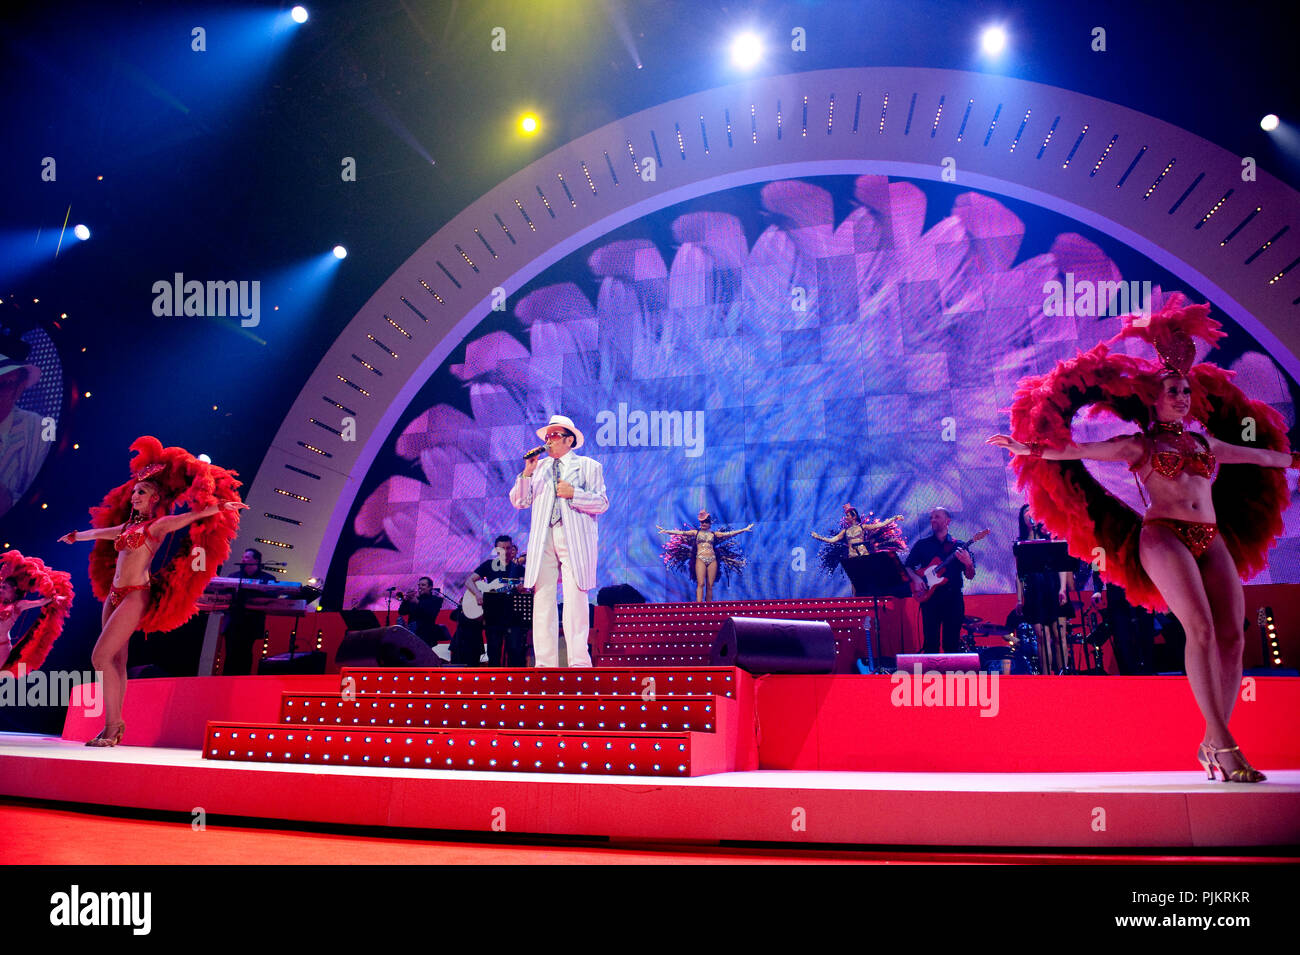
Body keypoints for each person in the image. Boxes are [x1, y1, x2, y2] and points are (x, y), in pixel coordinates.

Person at [987, 294, 1298, 782]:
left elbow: (1262, 458)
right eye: (1171, 389)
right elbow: (1075, 449)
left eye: (1185, 391)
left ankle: (1213, 740)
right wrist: (1027, 447)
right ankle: (1225, 744)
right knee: (1200, 629)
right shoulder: (1139, 445)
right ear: (1154, 398)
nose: (1181, 396)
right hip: (1162, 536)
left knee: (1234, 635)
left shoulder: (1205, 443)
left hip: (1209, 535)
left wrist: (1294, 460)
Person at [59, 437, 245, 746]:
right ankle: (112, 728)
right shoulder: (126, 529)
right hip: (115, 595)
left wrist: (221, 505)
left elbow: (188, 517)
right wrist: (77, 536)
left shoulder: (155, 527)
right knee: (115, 661)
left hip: (135, 594)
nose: (135, 496)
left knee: (100, 657)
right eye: (134, 492)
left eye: (141, 492)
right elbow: (98, 533)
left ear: (154, 498)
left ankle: (115, 724)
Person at [508, 414, 607, 668]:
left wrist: (575, 493)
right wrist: (527, 473)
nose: (549, 440)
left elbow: (602, 503)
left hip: (574, 535)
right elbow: (519, 502)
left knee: (575, 598)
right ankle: (545, 663)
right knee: (543, 599)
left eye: (554, 435)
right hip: (544, 537)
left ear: (569, 440)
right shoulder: (537, 469)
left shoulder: (588, 466)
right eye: (547, 436)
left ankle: (579, 662)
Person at [903, 508, 976, 653]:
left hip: (953, 599)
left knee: (952, 644)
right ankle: (932, 675)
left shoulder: (959, 546)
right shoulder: (922, 545)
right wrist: (917, 579)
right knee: (930, 644)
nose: (932, 520)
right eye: (931, 517)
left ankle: (951, 676)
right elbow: (907, 566)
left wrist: (968, 563)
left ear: (947, 521)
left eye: (937, 517)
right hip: (930, 599)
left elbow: (970, 575)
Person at [1015, 504, 1073, 673]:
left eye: (1032, 511)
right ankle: (1046, 677)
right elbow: (1019, 574)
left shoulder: (1050, 537)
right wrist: (1019, 599)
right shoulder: (1021, 543)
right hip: (1035, 591)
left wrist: (1062, 589)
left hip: (1053, 586)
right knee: (1042, 637)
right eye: (1026, 512)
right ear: (1022, 518)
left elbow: (1061, 565)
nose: (1029, 514)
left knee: (1059, 635)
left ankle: (1064, 674)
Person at [0, 338, 52, 518]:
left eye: (2, 385)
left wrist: (9, 502)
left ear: (19, 388)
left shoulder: (42, 429)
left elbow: (50, 492)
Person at [657, 510, 754, 602]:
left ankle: (708, 606)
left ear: (709, 524)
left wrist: (744, 529)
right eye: (701, 522)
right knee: (701, 583)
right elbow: (682, 533)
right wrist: (666, 531)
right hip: (700, 559)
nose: (703, 524)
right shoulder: (696, 533)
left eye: (705, 522)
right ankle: (699, 606)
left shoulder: (714, 534)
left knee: (710, 585)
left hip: (712, 559)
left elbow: (729, 534)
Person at [462, 537, 527, 665]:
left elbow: (525, 589)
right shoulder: (488, 565)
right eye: (502, 548)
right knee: (494, 652)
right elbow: (469, 581)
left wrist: (522, 589)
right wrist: (477, 593)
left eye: (508, 548)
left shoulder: (518, 569)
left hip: (512, 616)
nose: (506, 551)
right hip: (492, 617)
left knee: (514, 651)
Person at [220, 548, 276, 676]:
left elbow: (273, 596)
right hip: (233, 622)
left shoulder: (267, 578)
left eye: (246, 557)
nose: (243, 559)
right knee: (230, 654)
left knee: (245, 654)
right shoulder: (233, 577)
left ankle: (242, 682)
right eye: (243, 557)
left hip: (251, 623)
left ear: (256, 560)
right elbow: (223, 597)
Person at [397, 576, 452, 650]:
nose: (420, 587)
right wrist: (405, 600)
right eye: (419, 585)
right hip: (412, 633)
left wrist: (417, 602)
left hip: (427, 634)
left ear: (430, 587)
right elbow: (402, 612)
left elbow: (430, 614)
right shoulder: (415, 599)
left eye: (423, 585)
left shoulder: (436, 600)